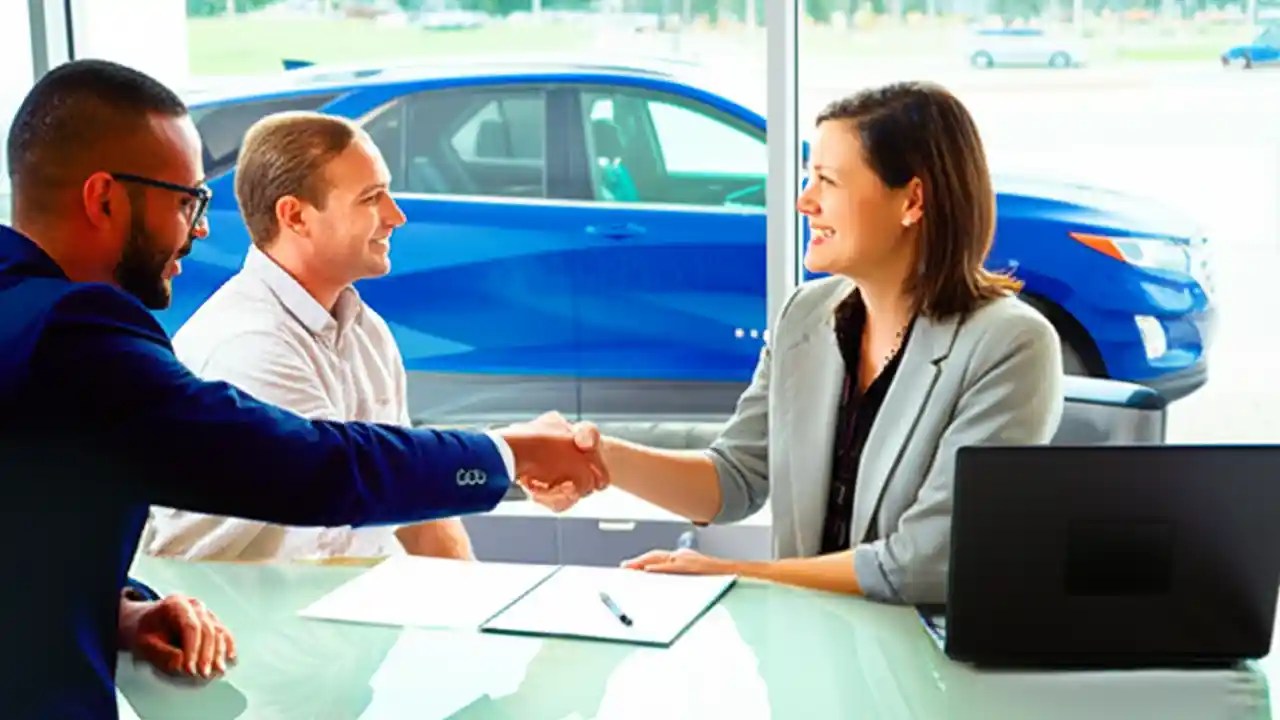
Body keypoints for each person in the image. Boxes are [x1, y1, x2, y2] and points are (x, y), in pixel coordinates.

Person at [0, 58, 603, 718]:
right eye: (186, 202)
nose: (200, 229)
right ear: (105, 199)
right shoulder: (75, 334)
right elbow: (309, 467)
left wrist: (121, 609)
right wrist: (509, 456)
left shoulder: (24, 315)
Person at [528, 81, 1064, 606]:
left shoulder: (1011, 345)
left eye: (827, 181)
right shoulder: (805, 315)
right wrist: (597, 457)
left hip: (918, 663)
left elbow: (925, 563)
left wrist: (736, 576)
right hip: (809, 645)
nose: (805, 201)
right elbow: (736, 479)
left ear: (913, 200)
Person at [140, 111, 475, 562]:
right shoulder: (249, 346)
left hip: (335, 608)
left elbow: (414, 500)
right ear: (295, 216)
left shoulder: (363, 329)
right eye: (371, 198)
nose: (396, 216)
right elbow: (350, 488)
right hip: (256, 620)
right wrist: (509, 456)